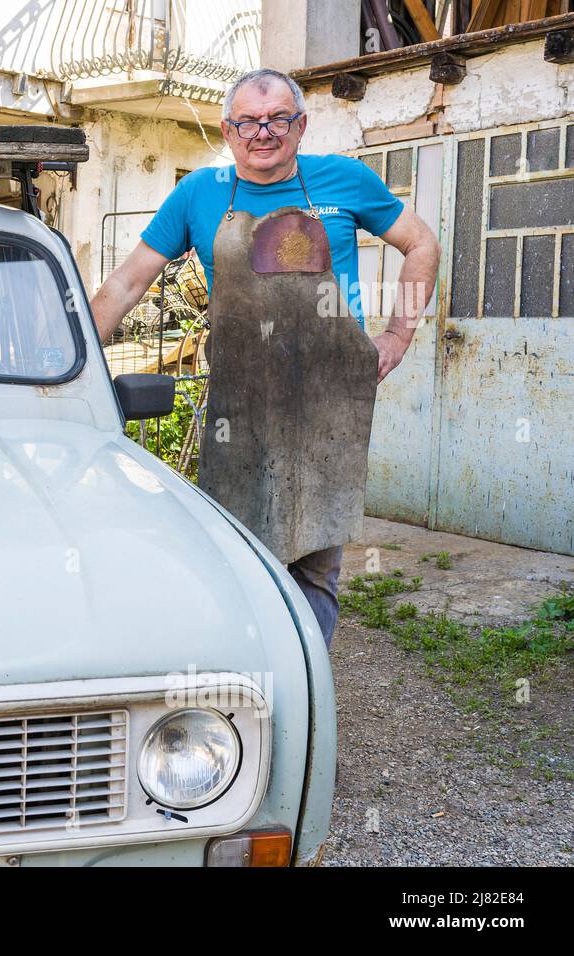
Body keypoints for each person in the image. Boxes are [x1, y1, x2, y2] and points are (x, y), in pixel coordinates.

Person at [91, 67, 440, 647]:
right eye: (249, 121)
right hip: (241, 402)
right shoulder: (198, 194)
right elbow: (127, 284)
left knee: (315, 564)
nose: (264, 132)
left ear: (301, 125)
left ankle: (305, 683)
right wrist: (75, 361)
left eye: (279, 118)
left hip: (328, 402)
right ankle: (250, 677)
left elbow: (421, 242)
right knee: (236, 554)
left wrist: (398, 335)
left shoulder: (344, 179)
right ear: (227, 131)